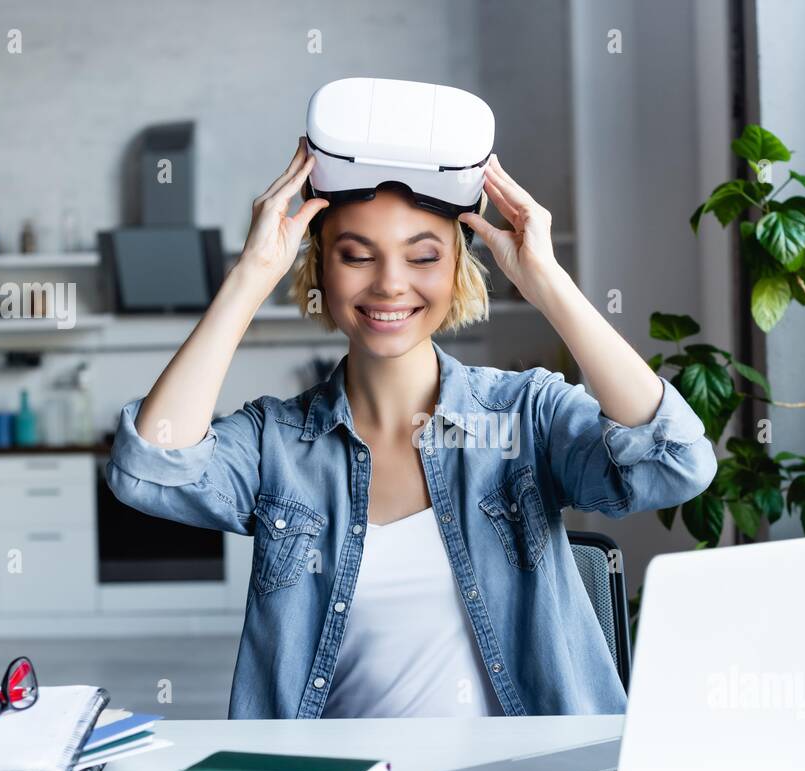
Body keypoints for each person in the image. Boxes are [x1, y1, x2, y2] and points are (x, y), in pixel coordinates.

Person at [106, 136, 717, 720]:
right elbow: (148, 471)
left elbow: (675, 464)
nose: (390, 283)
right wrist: (248, 278)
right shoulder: (277, 443)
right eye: (357, 255)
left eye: (423, 256)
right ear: (320, 268)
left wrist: (548, 283)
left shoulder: (524, 415)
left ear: (456, 270)